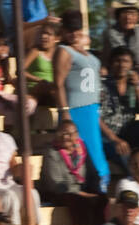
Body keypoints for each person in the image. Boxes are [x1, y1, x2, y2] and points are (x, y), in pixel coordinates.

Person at [55, 11, 109, 196]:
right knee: (83, 155)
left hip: (91, 109)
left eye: (76, 29)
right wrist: (65, 112)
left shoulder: (85, 50)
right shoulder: (63, 51)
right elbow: (58, 84)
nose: (73, 34)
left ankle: (100, 193)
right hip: (75, 110)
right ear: (63, 31)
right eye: (69, 30)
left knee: (97, 154)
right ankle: (87, 194)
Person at [38, 118, 108, 225]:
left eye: (69, 134)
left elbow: (93, 173)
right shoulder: (51, 152)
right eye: (62, 133)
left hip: (81, 189)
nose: (65, 137)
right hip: (58, 192)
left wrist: (96, 191)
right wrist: (83, 194)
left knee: (102, 198)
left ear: (76, 135)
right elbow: (56, 183)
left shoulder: (82, 149)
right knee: (78, 201)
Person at [100, 49, 139, 179]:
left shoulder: (133, 85)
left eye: (126, 61)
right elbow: (95, 117)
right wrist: (114, 139)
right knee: (124, 152)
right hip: (107, 137)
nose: (122, 65)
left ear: (132, 65)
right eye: (118, 61)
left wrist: (137, 87)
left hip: (128, 133)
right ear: (111, 64)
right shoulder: (101, 85)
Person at [23, 23, 59, 106]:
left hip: (51, 90)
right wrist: (39, 80)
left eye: (48, 34)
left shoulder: (59, 54)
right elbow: (19, 71)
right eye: (42, 33)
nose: (44, 36)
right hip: (35, 88)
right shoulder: (36, 51)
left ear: (56, 38)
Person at [104, 0, 139, 69]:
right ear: (118, 16)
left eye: (132, 13)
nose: (128, 17)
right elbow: (124, 57)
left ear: (137, 17)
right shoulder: (111, 33)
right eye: (125, 13)